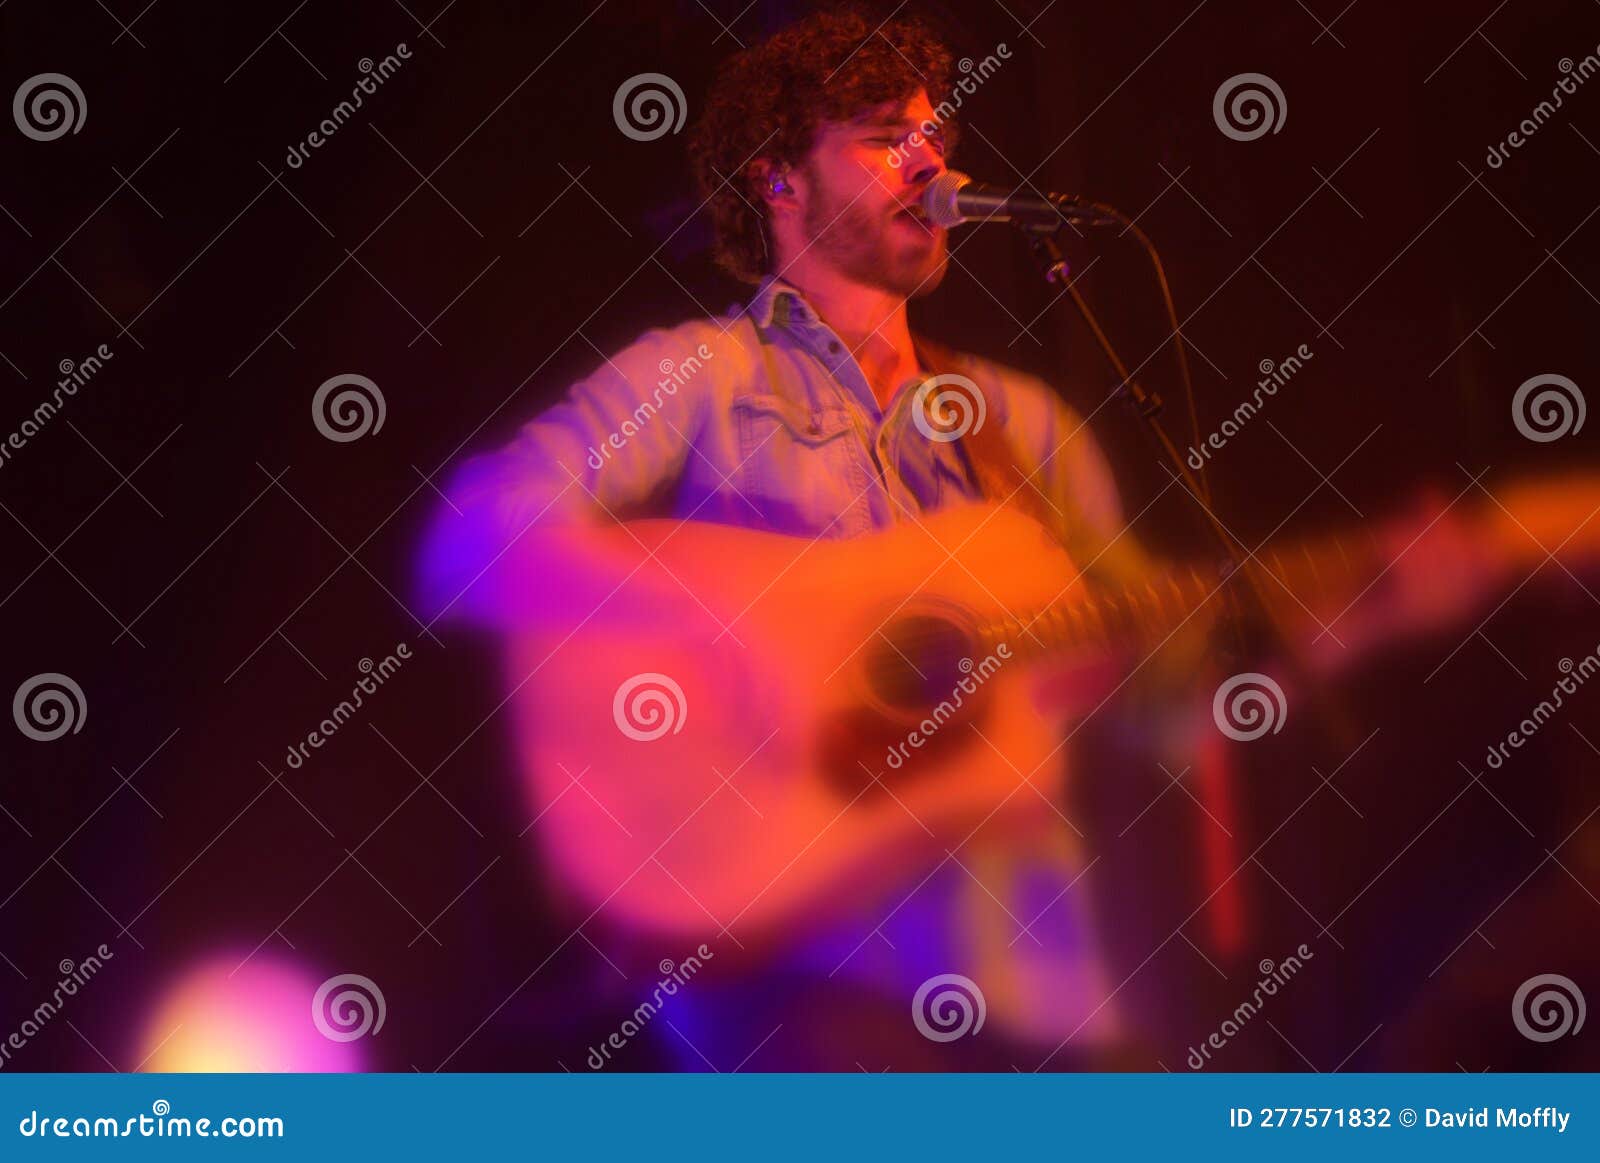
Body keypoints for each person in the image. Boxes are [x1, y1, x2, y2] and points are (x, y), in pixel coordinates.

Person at [416, 7, 1167, 1070]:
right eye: (881, 134)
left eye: (936, 138)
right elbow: (473, 537)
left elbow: (1164, 681)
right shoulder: (701, 375)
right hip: (797, 980)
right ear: (778, 179)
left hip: (1037, 990)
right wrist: (729, 620)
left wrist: (1338, 614)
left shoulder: (1025, 422)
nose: (929, 159)